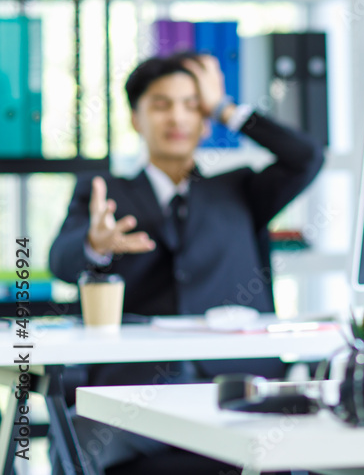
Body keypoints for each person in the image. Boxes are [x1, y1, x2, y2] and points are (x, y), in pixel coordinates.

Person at [48, 52, 324, 472]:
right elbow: (61, 261)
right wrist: (93, 243)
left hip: (238, 389)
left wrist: (226, 108)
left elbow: (306, 157)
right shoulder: (103, 191)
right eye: (160, 104)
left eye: (191, 105)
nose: (176, 116)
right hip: (137, 392)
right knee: (75, 441)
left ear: (206, 119)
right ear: (136, 119)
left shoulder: (243, 189)